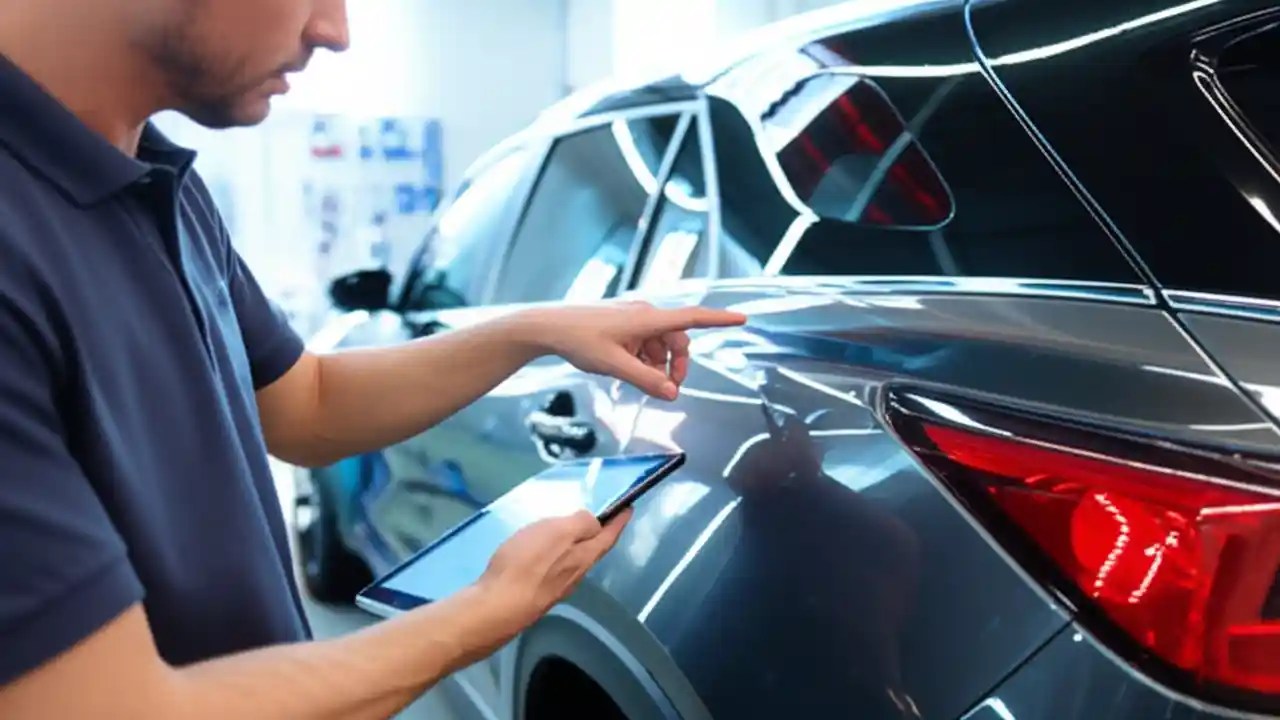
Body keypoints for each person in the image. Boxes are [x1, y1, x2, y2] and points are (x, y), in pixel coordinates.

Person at [0, 1, 747, 718]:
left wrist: (539, 329)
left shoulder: (160, 181)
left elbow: (307, 404)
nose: (335, 30)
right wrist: (481, 613)